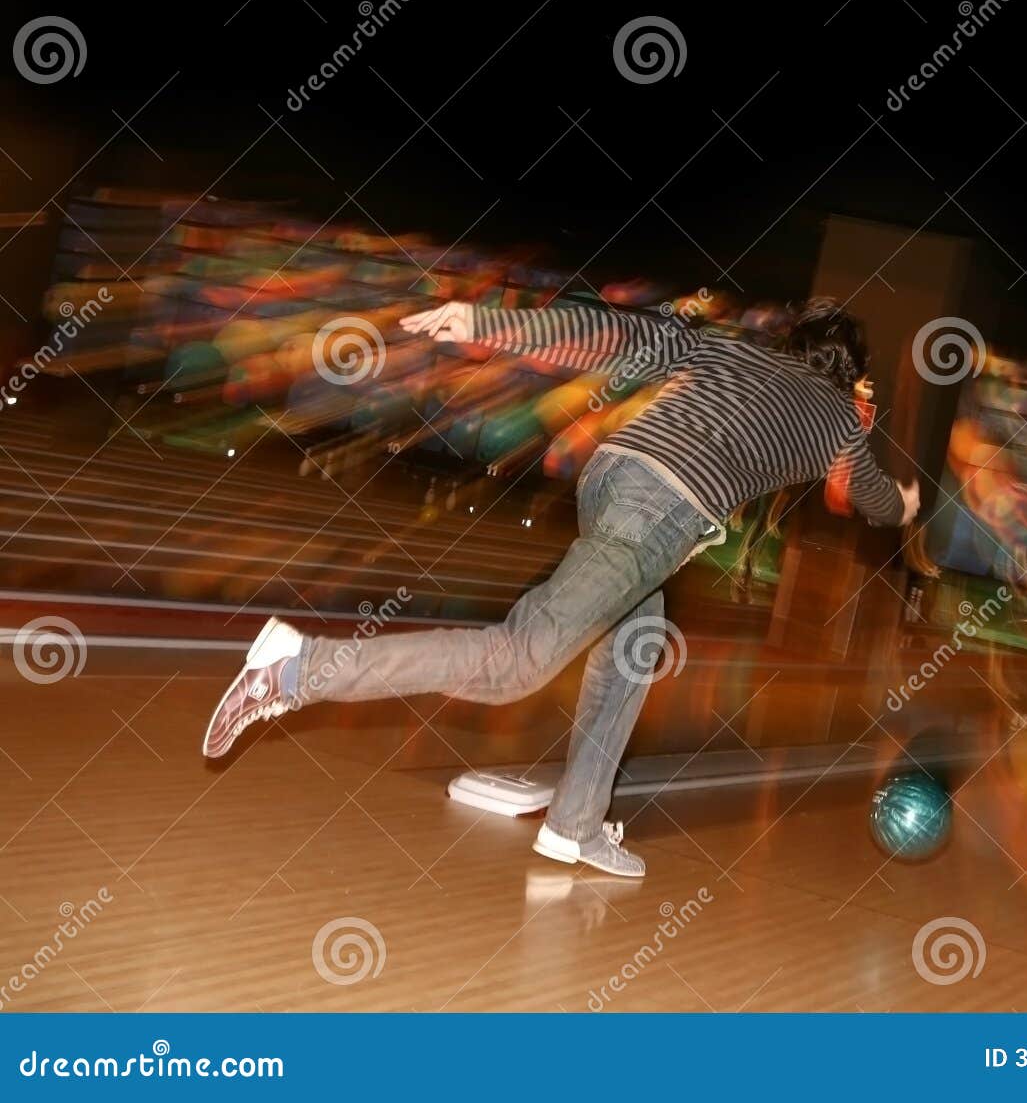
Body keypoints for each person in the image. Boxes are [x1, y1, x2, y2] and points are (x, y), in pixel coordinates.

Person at [201, 296, 919, 877]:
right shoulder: (836, 420)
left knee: (633, 647)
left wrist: (492, 321)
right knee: (519, 661)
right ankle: (296, 668)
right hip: (662, 515)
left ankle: (575, 825)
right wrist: (910, 506)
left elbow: (619, 333)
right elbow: (875, 499)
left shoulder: (733, 351)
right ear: (846, 373)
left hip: (615, 477)